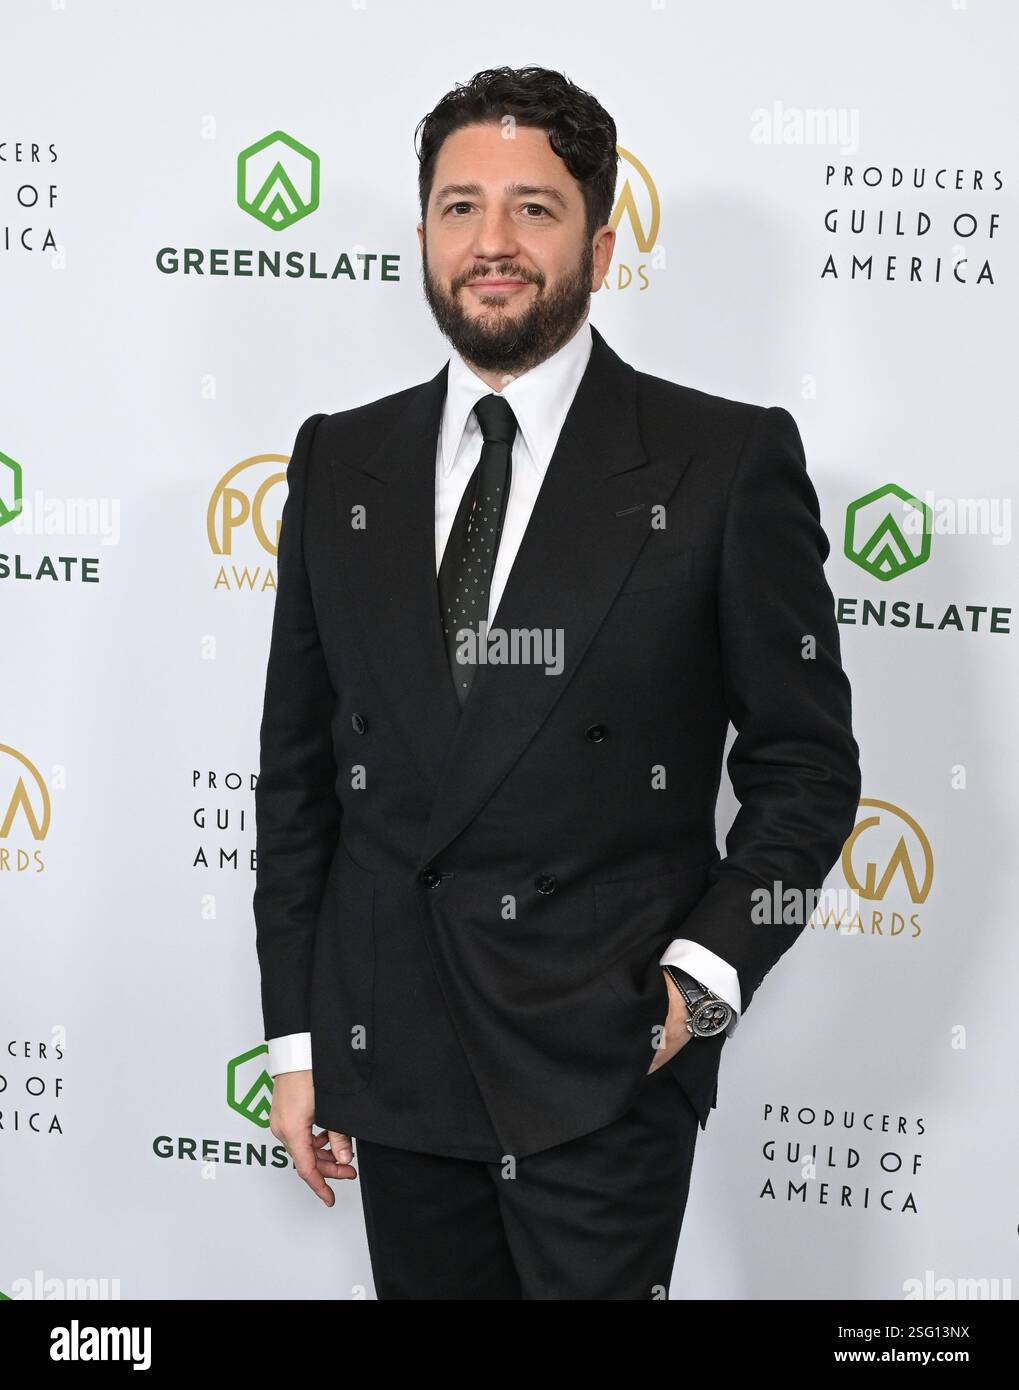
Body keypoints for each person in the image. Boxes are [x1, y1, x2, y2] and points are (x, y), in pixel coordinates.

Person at [253, 64, 861, 1299]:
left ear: (600, 231)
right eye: (458, 206)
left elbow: (805, 768)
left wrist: (699, 983)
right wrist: (300, 1036)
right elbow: (299, 776)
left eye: (532, 208)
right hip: (398, 1052)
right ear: (419, 230)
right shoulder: (337, 457)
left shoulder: (723, 458)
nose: (492, 244)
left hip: (599, 1066)